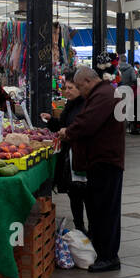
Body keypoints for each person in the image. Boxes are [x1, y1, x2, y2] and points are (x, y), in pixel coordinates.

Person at [59, 66, 124, 272]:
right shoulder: (101, 93)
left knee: (105, 210)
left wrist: (68, 132)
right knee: (98, 209)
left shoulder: (103, 95)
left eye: (79, 87)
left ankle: (109, 257)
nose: (79, 91)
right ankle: (101, 250)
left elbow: (87, 123)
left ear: (88, 81)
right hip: (100, 160)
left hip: (105, 161)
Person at [44, 75, 87, 233]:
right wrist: (51, 120)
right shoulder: (70, 104)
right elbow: (62, 124)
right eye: (65, 88)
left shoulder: (84, 105)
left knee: (83, 193)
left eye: (70, 88)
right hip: (69, 155)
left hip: (81, 156)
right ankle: (79, 226)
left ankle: (90, 229)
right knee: (73, 193)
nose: (67, 91)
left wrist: (68, 132)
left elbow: (80, 128)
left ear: (79, 88)